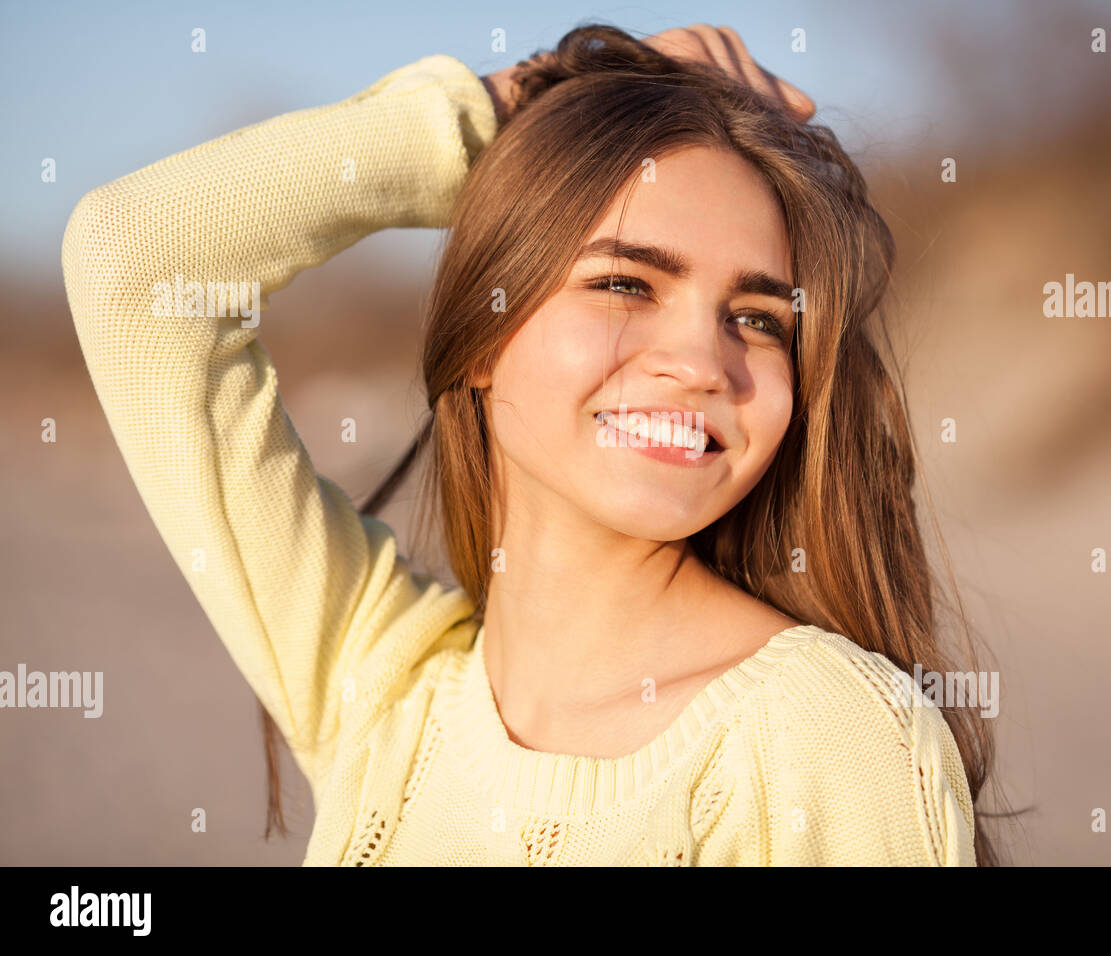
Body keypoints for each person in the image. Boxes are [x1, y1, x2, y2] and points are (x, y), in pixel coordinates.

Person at [62, 22, 997, 865]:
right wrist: (523, 103)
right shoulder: (383, 686)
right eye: (625, 284)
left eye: (757, 318)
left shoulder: (825, 737)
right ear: (483, 336)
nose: (701, 364)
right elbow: (133, 258)